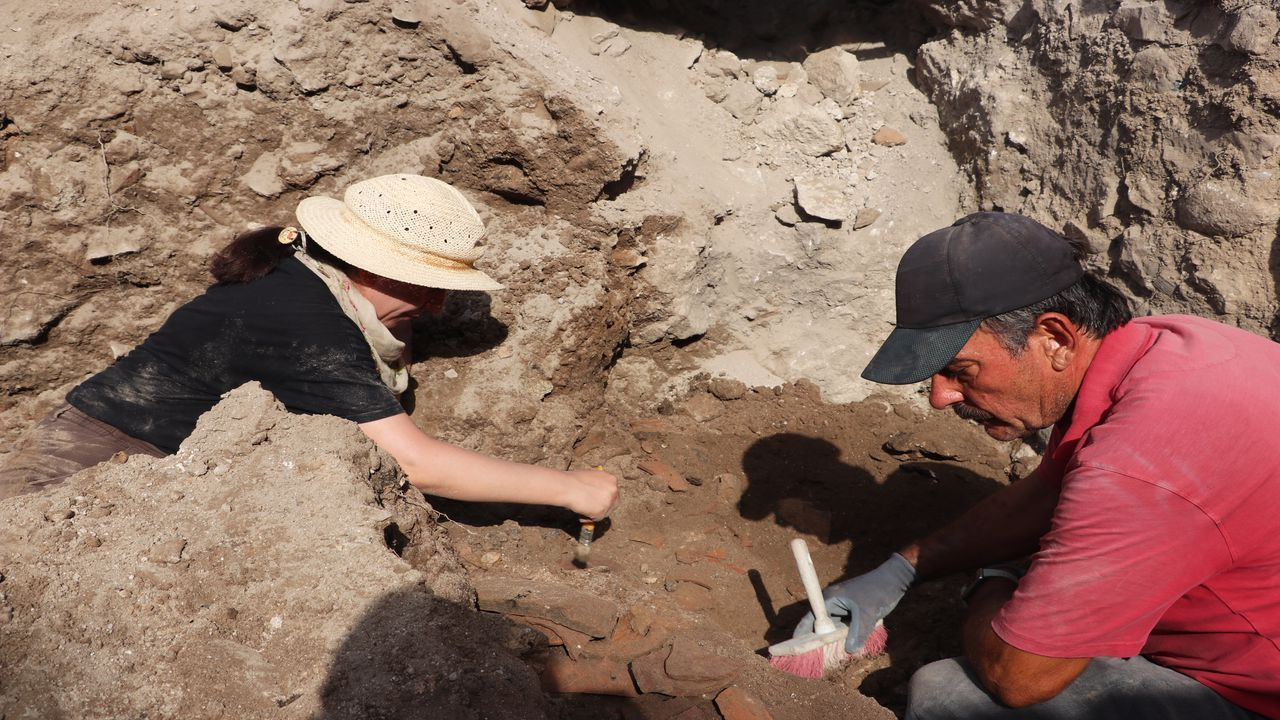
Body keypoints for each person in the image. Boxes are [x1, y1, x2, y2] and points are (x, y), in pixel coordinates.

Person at [793, 212, 1279, 719]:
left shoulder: (1140, 463)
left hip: (1259, 688)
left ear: (1055, 338)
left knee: (950, 699)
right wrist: (902, 569)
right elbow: (1050, 490)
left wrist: (992, 579)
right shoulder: (1165, 350)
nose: (940, 397)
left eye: (960, 370)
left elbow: (1020, 677)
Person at [0, 173, 619, 522]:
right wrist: (569, 489)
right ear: (365, 265)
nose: (435, 308)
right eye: (428, 288)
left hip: (136, 452)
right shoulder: (306, 322)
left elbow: (381, 347)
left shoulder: (302, 276)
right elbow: (417, 462)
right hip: (95, 465)